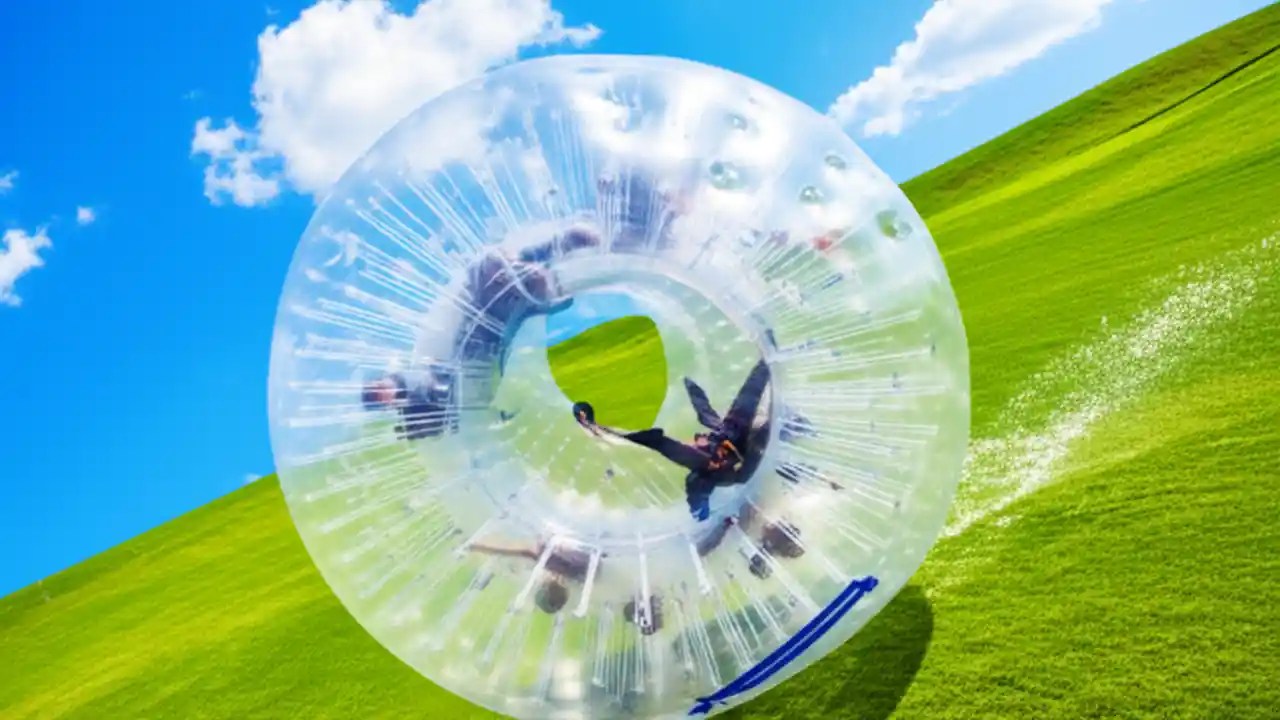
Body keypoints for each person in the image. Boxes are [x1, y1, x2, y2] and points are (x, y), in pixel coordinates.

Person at [575, 359, 772, 521]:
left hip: (731, 456)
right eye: (697, 440)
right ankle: (765, 366)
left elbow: (702, 415)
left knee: (719, 422)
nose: (695, 439)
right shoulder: (705, 461)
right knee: (732, 418)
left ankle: (765, 365)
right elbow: (664, 443)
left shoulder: (709, 453)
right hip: (733, 459)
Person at [465, 535, 600, 615]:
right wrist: (479, 547)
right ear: (544, 585)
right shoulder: (549, 561)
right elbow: (516, 551)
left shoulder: (582, 575)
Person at [361, 366, 458, 440]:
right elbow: (439, 428)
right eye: (381, 396)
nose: (384, 392)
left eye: (381, 387)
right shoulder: (409, 418)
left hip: (451, 391)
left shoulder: (410, 377)